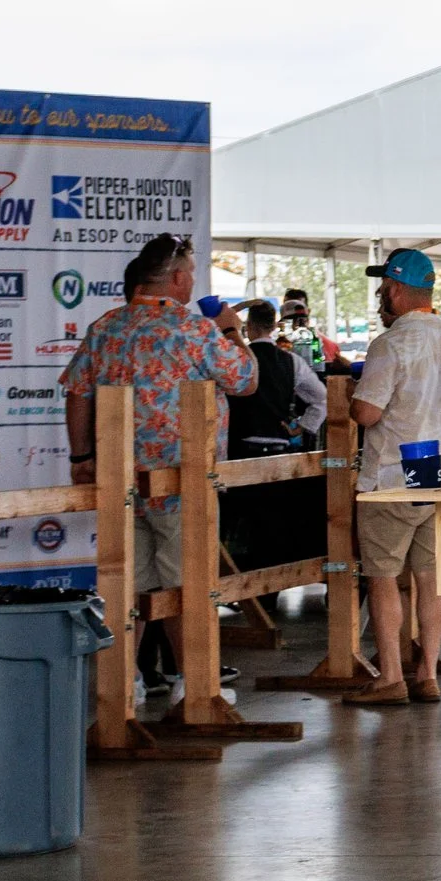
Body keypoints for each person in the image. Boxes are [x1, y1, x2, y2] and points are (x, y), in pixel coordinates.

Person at [61, 234, 256, 682]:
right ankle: (198, 690)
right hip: (181, 479)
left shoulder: (106, 326)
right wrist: (231, 329)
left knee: (127, 585)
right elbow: (246, 379)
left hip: (121, 477)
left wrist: (81, 458)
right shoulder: (193, 330)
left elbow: (76, 394)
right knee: (186, 586)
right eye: (189, 272)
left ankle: (120, 691)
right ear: (178, 278)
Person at [347, 249, 441, 707]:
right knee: (433, 578)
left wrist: (350, 404)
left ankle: (392, 677)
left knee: (382, 578)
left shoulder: (391, 345)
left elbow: (367, 411)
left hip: (393, 477)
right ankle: (430, 673)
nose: (382, 296)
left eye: (384, 289)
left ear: (396, 290)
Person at [226, 301, 300, 461]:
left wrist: (244, 305)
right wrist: (302, 427)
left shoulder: (237, 358)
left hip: (240, 443)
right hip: (279, 442)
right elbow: (320, 397)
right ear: (274, 326)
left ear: (248, 326)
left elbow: (220, 321)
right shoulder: (291, 360)